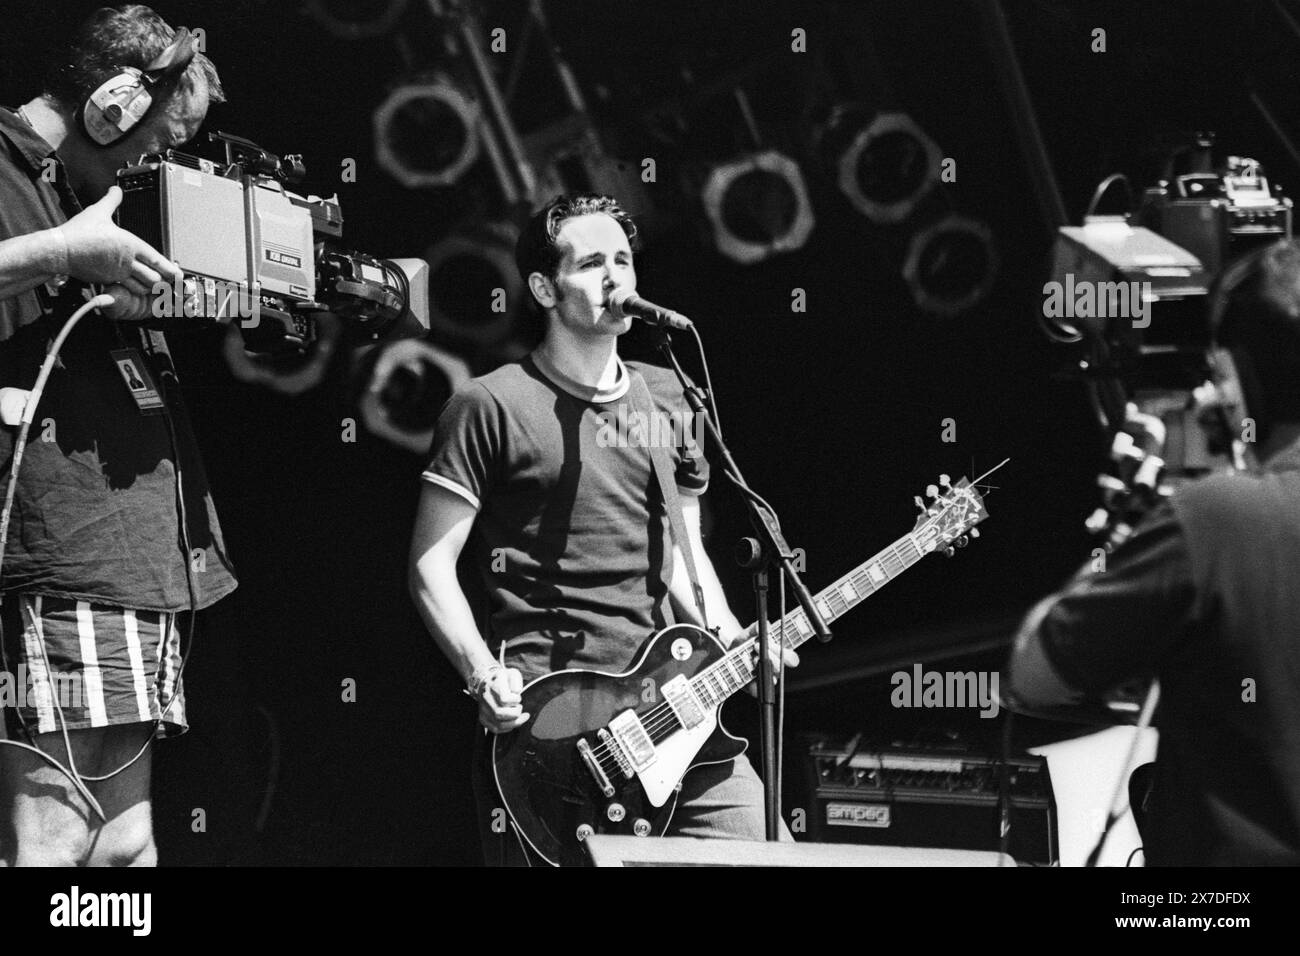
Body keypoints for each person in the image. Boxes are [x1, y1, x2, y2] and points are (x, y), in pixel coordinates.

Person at [409, 193, 796, 864]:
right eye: (591, 263)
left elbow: (685, 554)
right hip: (560, 732)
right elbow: (429, 566)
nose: (616, 277)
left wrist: (734, 634)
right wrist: (479, 673)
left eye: (623, 259)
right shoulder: (490, 404)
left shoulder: (667, 397)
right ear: (542, 288)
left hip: (677, 711)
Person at [0, 5, 237, 866]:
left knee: (125, 847)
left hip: (127, 559)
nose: (158, 161)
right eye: (161, 137)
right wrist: (59, 252)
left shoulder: (80, 192)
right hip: (59, 550)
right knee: (54, 842)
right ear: (114, 100)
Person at [1006, 239, 1300, 866]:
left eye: (1217, 378)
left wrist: (1122, 536)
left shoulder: (1218, 520)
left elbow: (1036, 676)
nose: (1203, 401)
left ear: (1247, 379)